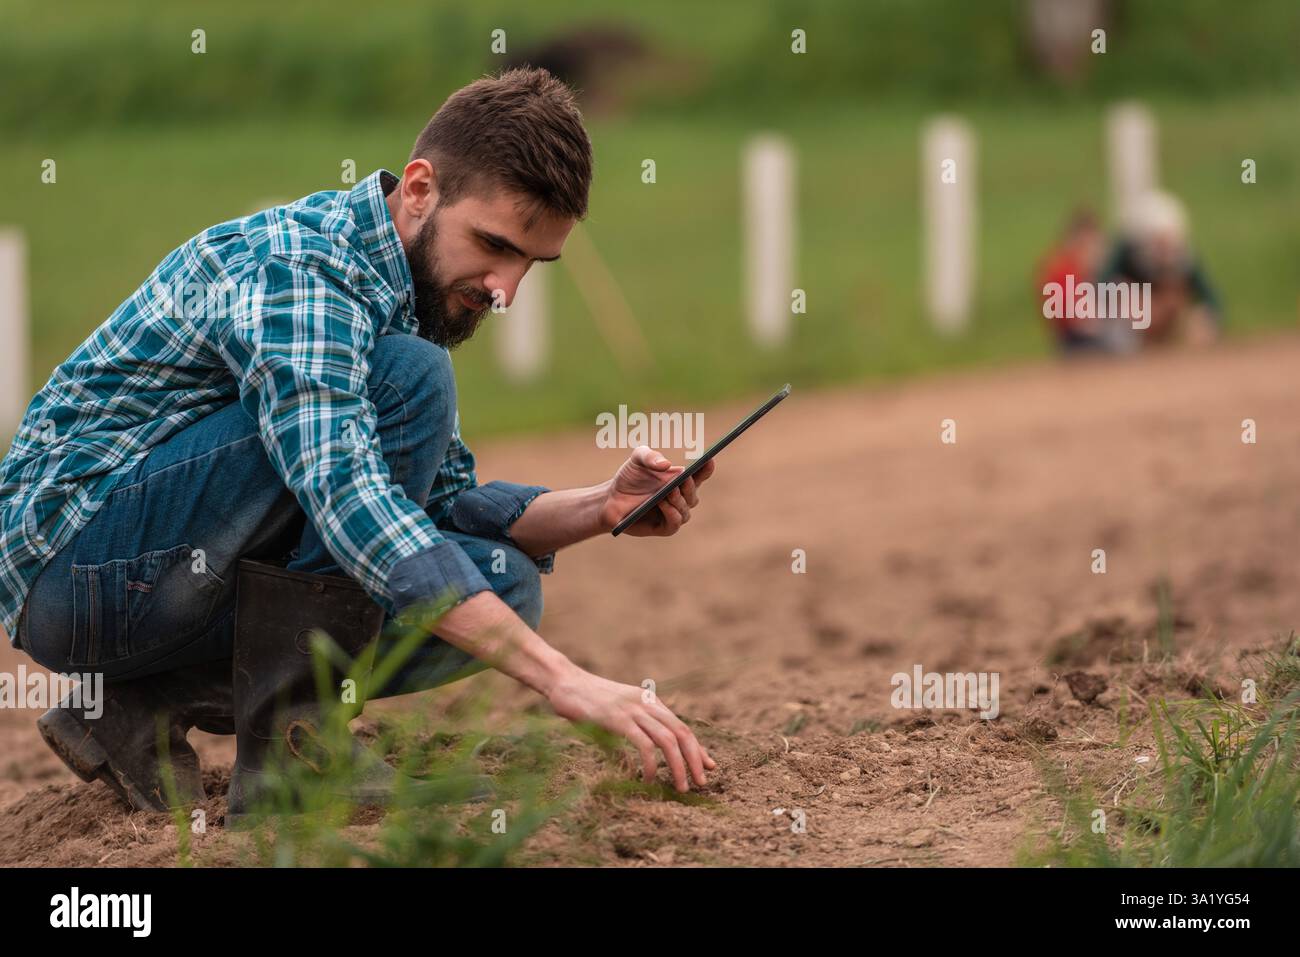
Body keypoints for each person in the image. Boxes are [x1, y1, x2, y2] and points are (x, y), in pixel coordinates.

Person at [0, 67, 717, 819]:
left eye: (530, 264)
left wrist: (602, 507)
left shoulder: (399, 289)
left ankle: (141, 703)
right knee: (411, 381)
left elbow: (439, 505)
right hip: (74, 567)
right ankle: (293, 755)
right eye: (494, 245)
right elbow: (352, 502)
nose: (506, 288)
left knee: (503, 580)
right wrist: (562, 678)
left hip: (159, 570)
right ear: (418, 189)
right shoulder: (304, 273)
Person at [1096, 190, 1223, 347]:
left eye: (1168, 243)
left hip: (1167, 321)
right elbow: (1099, 288)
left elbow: (1211, 299)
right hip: (1129, 322)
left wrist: (1205, 319)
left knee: (1174, 295)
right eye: (1159, 244)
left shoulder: (1184, 258)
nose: (1164, 251)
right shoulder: (1127, 251)